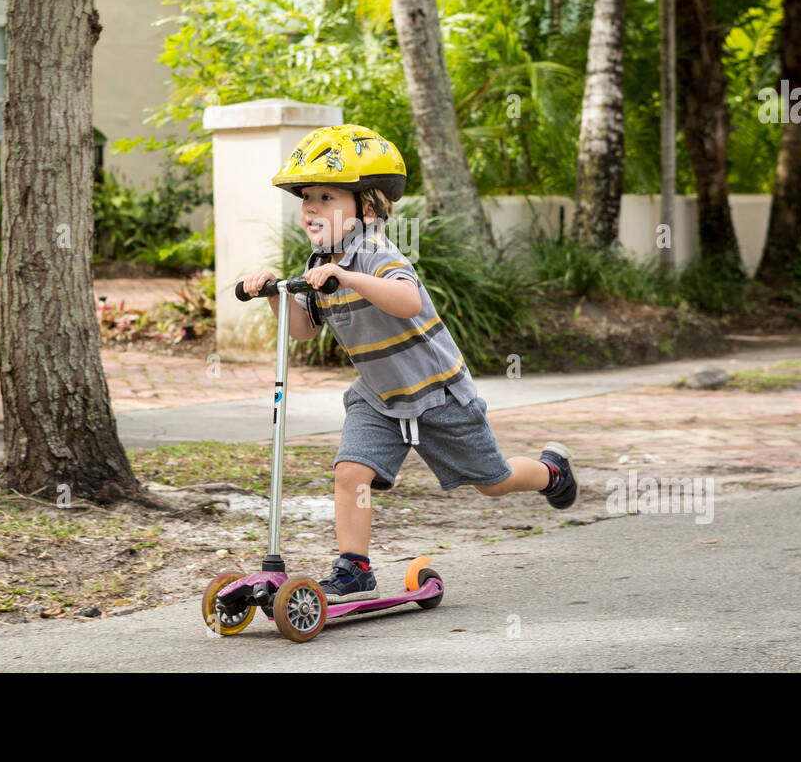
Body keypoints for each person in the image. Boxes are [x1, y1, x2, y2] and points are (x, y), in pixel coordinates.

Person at [241, 124, 576, 603]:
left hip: (437, 393)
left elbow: (407, 300)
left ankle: (551, 472)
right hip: (379, 397)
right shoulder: (322, 261)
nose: (312, 208)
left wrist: (349, 277)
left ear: (367, 209)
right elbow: (302, 330)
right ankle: (354, 568)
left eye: (327, 197)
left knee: (494, 482)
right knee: (350, 472)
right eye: (306, 198)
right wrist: (275, 292)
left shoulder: (376, 253)